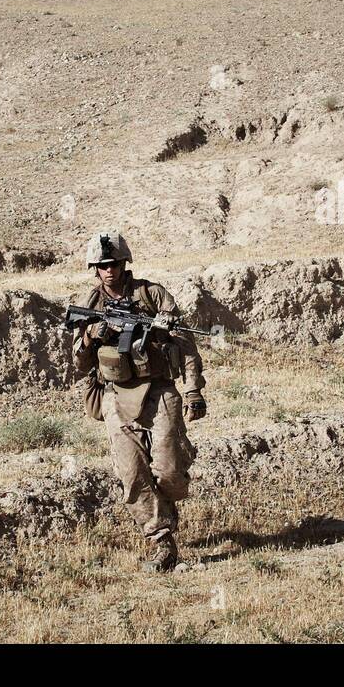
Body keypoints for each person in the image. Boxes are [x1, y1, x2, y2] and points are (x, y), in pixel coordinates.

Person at [70, 230, 208, 572]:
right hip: (115, 397)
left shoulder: (152, 294)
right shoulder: (90, 305)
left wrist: (193, 390)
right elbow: (79, 363)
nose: (109, 271)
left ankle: (167, 506)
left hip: (159, 391)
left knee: (171, 472)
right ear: (95, 269)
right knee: (132, 475)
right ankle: (162, 542)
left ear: (124, 263)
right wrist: (90, 336)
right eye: (102, 266)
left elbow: (187, 344)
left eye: (114, 264)